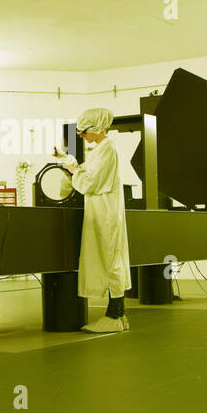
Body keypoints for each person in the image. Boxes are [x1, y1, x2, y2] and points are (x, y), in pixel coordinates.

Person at [60, 108, 131, 333]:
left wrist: (73, 170)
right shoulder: (100, 150)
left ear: (98, 128)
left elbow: (89, 184)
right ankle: (118, 315)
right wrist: (74, 167)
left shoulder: (107, 149)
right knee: (110, 259)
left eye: (83, 131)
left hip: (105, 213)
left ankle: (114, 315)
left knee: (110, 260)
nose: (80, 135)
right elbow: (91, 177)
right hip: (102, 210)